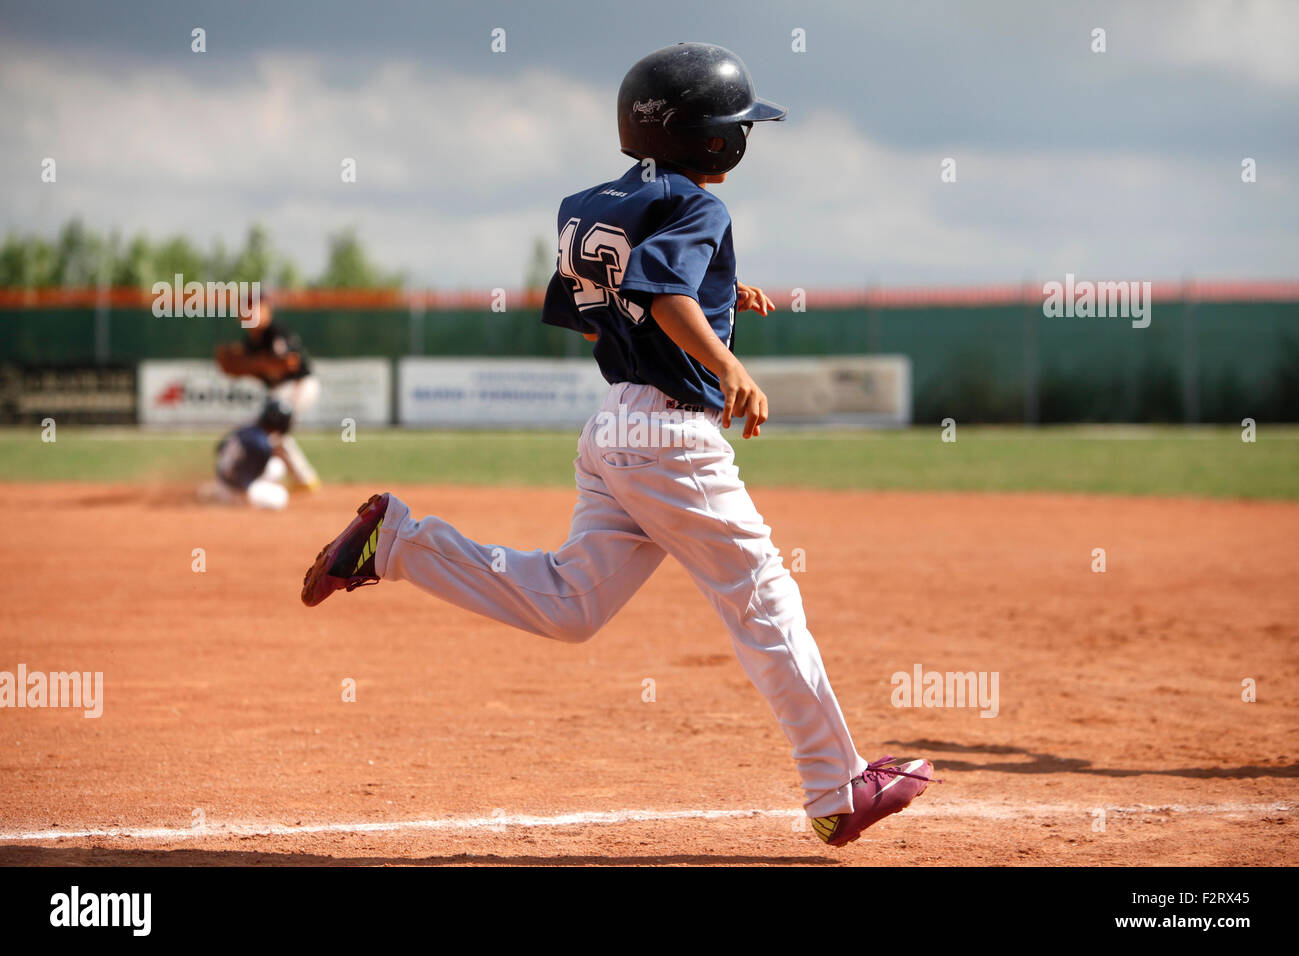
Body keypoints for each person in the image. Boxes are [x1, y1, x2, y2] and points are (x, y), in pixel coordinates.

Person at [300, 42, 935, 846]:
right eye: (735, 125)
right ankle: (837, 787)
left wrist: (715, 290)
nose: (742, 138)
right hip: (671, 438)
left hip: (613, 429)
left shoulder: (590, 202)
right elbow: (661, 291)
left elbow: (611, 295)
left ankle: (399, 545)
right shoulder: (702, 206)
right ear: (709, 139)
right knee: (762, 599)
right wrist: (727, 359)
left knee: (570, 604)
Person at [215, 294, 320, 489]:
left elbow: (289, 362)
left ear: (266, 310)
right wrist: (242, 366)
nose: (248, 314)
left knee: (271, 432)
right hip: (280, 391)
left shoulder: (275, 332)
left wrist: (249, 363)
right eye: (244, 310)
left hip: (299, 385)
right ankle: (300, 480)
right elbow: (249, 371)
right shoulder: (251, 343)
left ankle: (300, 479)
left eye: (253, 308)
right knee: (271, 434)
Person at [198, 398, 295, 510]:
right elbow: (241, 480)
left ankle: (216, 489)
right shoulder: (261, 445)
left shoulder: (246, 429)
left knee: (277, 466)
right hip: (234, 489)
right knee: (280, 497)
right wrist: (245, 501)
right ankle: (221, 495)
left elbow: (219, 448)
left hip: (222, 478)